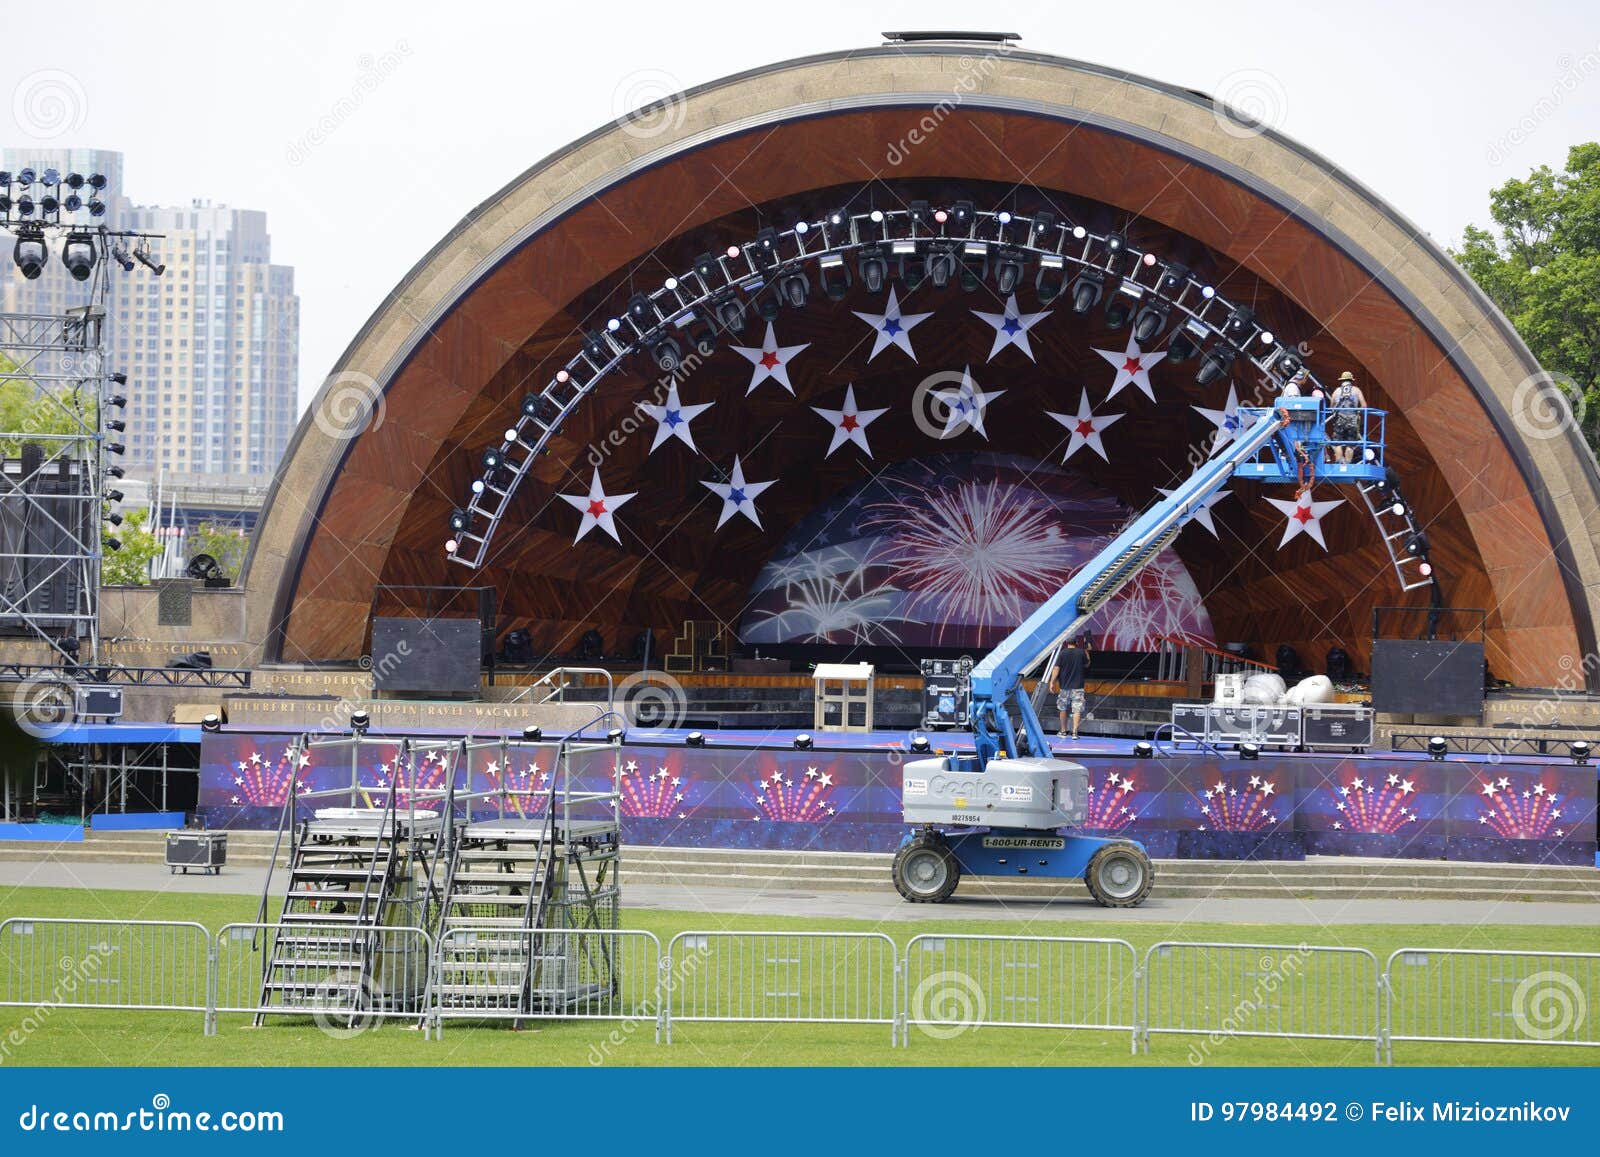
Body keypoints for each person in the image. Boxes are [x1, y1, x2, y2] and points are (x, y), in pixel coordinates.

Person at [1049, 636, 1090, 740]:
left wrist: (1052, 682)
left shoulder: (1062, 653)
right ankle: (1075, 733)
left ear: (1066, 642)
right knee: (1077, 710)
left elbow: (1056, 668)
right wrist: (1087, 651)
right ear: (1076, 642)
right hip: (1078, 686)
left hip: (1064, 686)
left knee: (1062, 708)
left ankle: (1063, 731)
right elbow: (1087, 664)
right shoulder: (1081, 652)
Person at [1327, 370, 1367, 464]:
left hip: (1339, 420)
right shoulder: (1356, 390)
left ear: (1341, 380)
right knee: (1351, 443)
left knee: (1337, 442)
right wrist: (1357, 411)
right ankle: (1348, 464)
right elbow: (1364, 406)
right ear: (1351, 380)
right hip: (1353, 420)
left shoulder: (1337, 391)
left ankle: (1339, 463)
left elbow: (1331, 407)